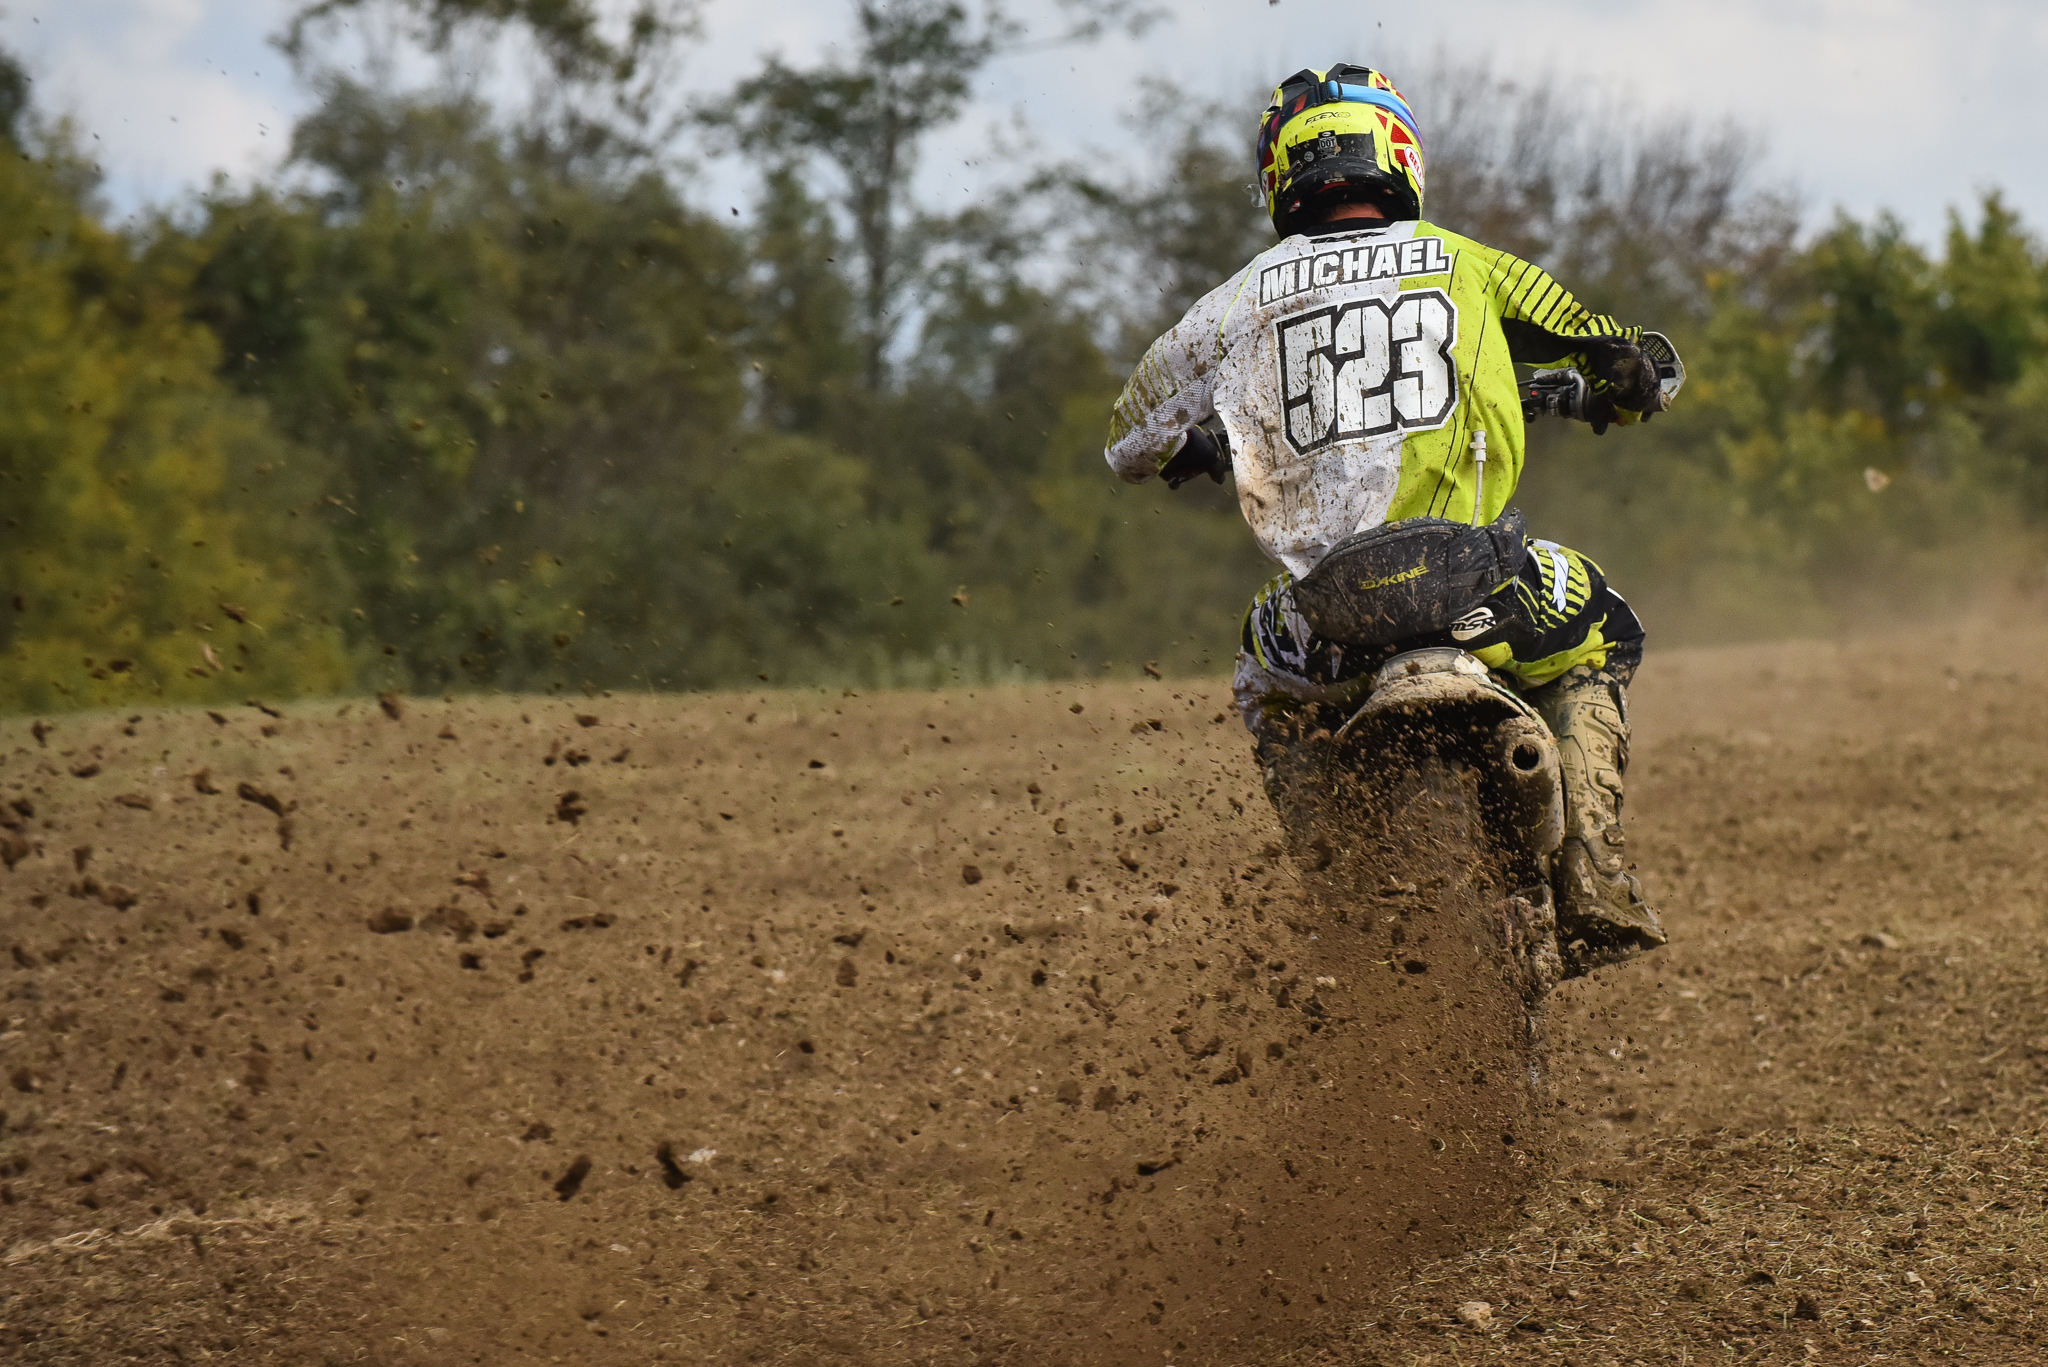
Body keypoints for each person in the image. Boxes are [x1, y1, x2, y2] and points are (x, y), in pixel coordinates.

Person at [1102, 63, 1676, 967]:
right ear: (1397, 150)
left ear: (1280, 176)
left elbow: (1129, 435)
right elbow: (1605, 344)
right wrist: (1630, 382)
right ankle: (1592, 871)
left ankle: (1334, 894)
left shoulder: (1235, 303)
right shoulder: (1466, 262)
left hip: (1333, 615)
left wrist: (1194, 449)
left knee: (1261, 673)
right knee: (1605, 626)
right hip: (1480, 588)